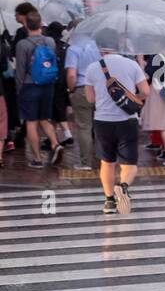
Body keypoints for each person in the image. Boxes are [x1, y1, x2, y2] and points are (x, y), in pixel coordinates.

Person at [83, 31, 151, 214]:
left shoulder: (92, 68)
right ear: (119, 43)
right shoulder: (132, 65)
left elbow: (90, 99)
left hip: (102, 121)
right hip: (127, 120)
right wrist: (130, 98)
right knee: (129, 165)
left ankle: (109, 202)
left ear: (100, 47)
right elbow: (146, 91)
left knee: (107, 162)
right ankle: (123, 186)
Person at [13, 11, 63, 169]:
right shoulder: (50, 41)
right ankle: (55, 143)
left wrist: (19, 88)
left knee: (31, 123)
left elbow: (20, 70)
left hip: (29, 85)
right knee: (44, 119)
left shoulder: (23, 44)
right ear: (41, 24)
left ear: (26, 24)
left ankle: (37, 158)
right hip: (48, 84)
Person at [63, 25, 101, 172]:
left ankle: (85, 161)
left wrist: (71, 89)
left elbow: (72, 74)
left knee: (84, 127)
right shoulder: (98, 46)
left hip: (82, 88)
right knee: (100, 125)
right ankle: (103, 157)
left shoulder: (74, 48)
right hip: (99, 89)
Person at [138, 51, 165, 166]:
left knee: (161, 125)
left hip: (158, 94)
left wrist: (141, 62)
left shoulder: (156, 57)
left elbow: (146, 76)